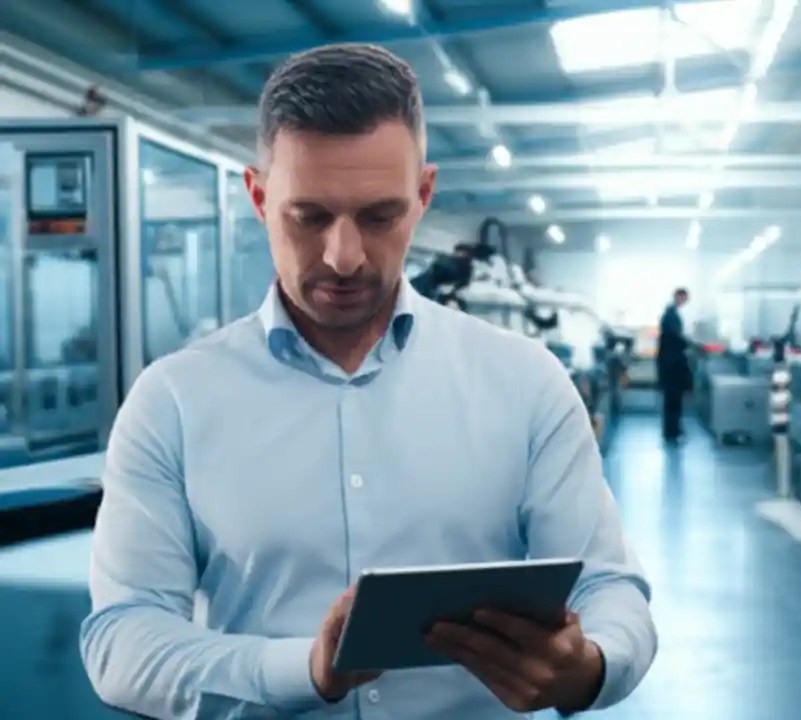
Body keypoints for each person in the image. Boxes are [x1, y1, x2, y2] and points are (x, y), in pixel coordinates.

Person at [80, 43, 656, 719]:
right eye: (310, 216)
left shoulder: (525, 382)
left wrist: (587, 668)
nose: (343, 257)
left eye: (379, 217)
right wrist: (304, 667)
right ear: (260, 197)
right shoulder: (173, 401)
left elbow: (611, 589)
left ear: (423, 197)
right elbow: (121, 638)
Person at [657, 288, 692, 443]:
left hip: (670, 363)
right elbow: (674, 338)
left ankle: (673, 430)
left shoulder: (671, 314)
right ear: (677, 296)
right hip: (671, 365)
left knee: (672, 399)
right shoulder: (670, 316)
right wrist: (690, 344)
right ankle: (672, 432)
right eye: (684, 298)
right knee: (673, 399)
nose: (685, 301)